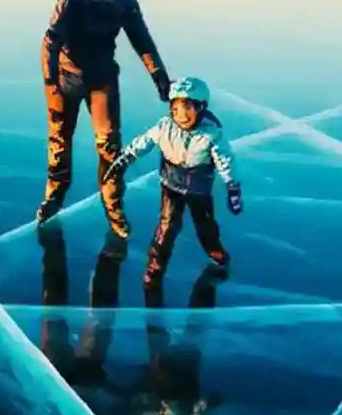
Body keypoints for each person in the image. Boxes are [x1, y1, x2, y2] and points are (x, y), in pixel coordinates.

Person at [37, 0, 172, 235]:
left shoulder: (125, 2)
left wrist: (158, 73)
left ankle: (113, 204)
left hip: (103, 80)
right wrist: (50, 85)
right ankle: (54, 196)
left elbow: (141, 39)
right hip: (67, 79)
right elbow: (50, 42)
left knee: (109, 145)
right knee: (59, 140)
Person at [100, 76, 243, 294]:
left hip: (198, 190)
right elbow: (143, 142)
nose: (182, 116)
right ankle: (155, 267)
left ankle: (216, 251)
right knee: (167, 227)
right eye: (176, 109)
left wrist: (232, 188)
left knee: (205, 225)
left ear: (201, 107)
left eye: (188, 109)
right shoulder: (164, 128)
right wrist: (124, 160)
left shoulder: (211, 135)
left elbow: (225, 161)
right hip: (171, 185)